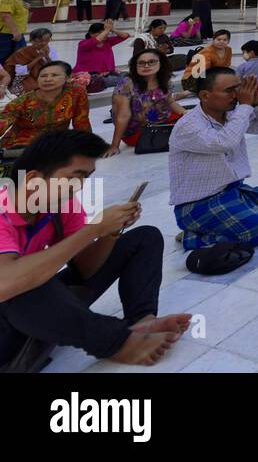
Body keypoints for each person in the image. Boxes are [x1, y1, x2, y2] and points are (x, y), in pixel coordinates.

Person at [0, 129, 189, 370]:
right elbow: (5, 284)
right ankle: (117, 343)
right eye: (74, 177)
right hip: (7, 317)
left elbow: (86, 270)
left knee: (144, 238)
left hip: (32, 307)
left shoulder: (61, 204)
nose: (78, 187)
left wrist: (110, 232)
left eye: (85, 178)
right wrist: (92, 230)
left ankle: (142, 320)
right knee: (29, 282)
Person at [170, 69, 258, 250]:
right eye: (229, 90)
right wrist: (246, 106)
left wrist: (257, 102)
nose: (237, 95)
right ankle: (191, 237)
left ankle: (238, 217)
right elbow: (225, 142)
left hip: (233, 191)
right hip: (196, 205)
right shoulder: (188, 125)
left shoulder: (231, 115)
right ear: (205, 95)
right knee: (257, 228)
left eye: (238, 88)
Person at [107, 50, 185, 156]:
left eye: (151, 61)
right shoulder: (127, 83)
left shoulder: (163, 80)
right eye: (141, 63)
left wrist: (187, 114)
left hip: (162, 123)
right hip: (138, 133)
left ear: (160, 63)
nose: (146, 65)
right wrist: (114, 146)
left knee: (193, 121)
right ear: (135, 66)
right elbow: (123, 116)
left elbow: (170, 102)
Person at [0, 62, 91, 151]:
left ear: (67, 78)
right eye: (43, 76)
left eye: (54, 75)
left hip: (57, 144)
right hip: (20, 147)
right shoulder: (22, 102)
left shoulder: (76, 94)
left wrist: (89, 147)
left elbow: (82, 123)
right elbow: (3, 122)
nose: (48, 79)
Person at [73, 21, 129, 89]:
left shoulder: (107, 42)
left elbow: (125, 36)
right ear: (91, 33)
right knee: (123, 81)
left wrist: (112, 29)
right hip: (90, 76)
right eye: (100, 33)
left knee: (128, 76)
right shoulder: (83, 44)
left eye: (105, 32)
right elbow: (96, 40)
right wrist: (106, 30)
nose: (105, 35)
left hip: (107, 74)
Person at [2, 28, 54, 96]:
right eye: (40, 41)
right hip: (25, 78)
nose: (44, 43)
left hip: (45, 76)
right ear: (32, 40)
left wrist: (47, 56)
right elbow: (20, 72)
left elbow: (55, 66)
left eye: (47, 40)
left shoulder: (51, 51)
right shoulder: (22, 52)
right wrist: (38, 58)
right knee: (30, 89)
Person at [0, 0, 30, 67]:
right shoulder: (7, 0)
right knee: (4, 56)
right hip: (7, 33)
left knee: (18, 56)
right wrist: (15, 32)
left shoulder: (18, 0)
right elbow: (6, 16)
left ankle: (9, 76)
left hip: (17, 33)